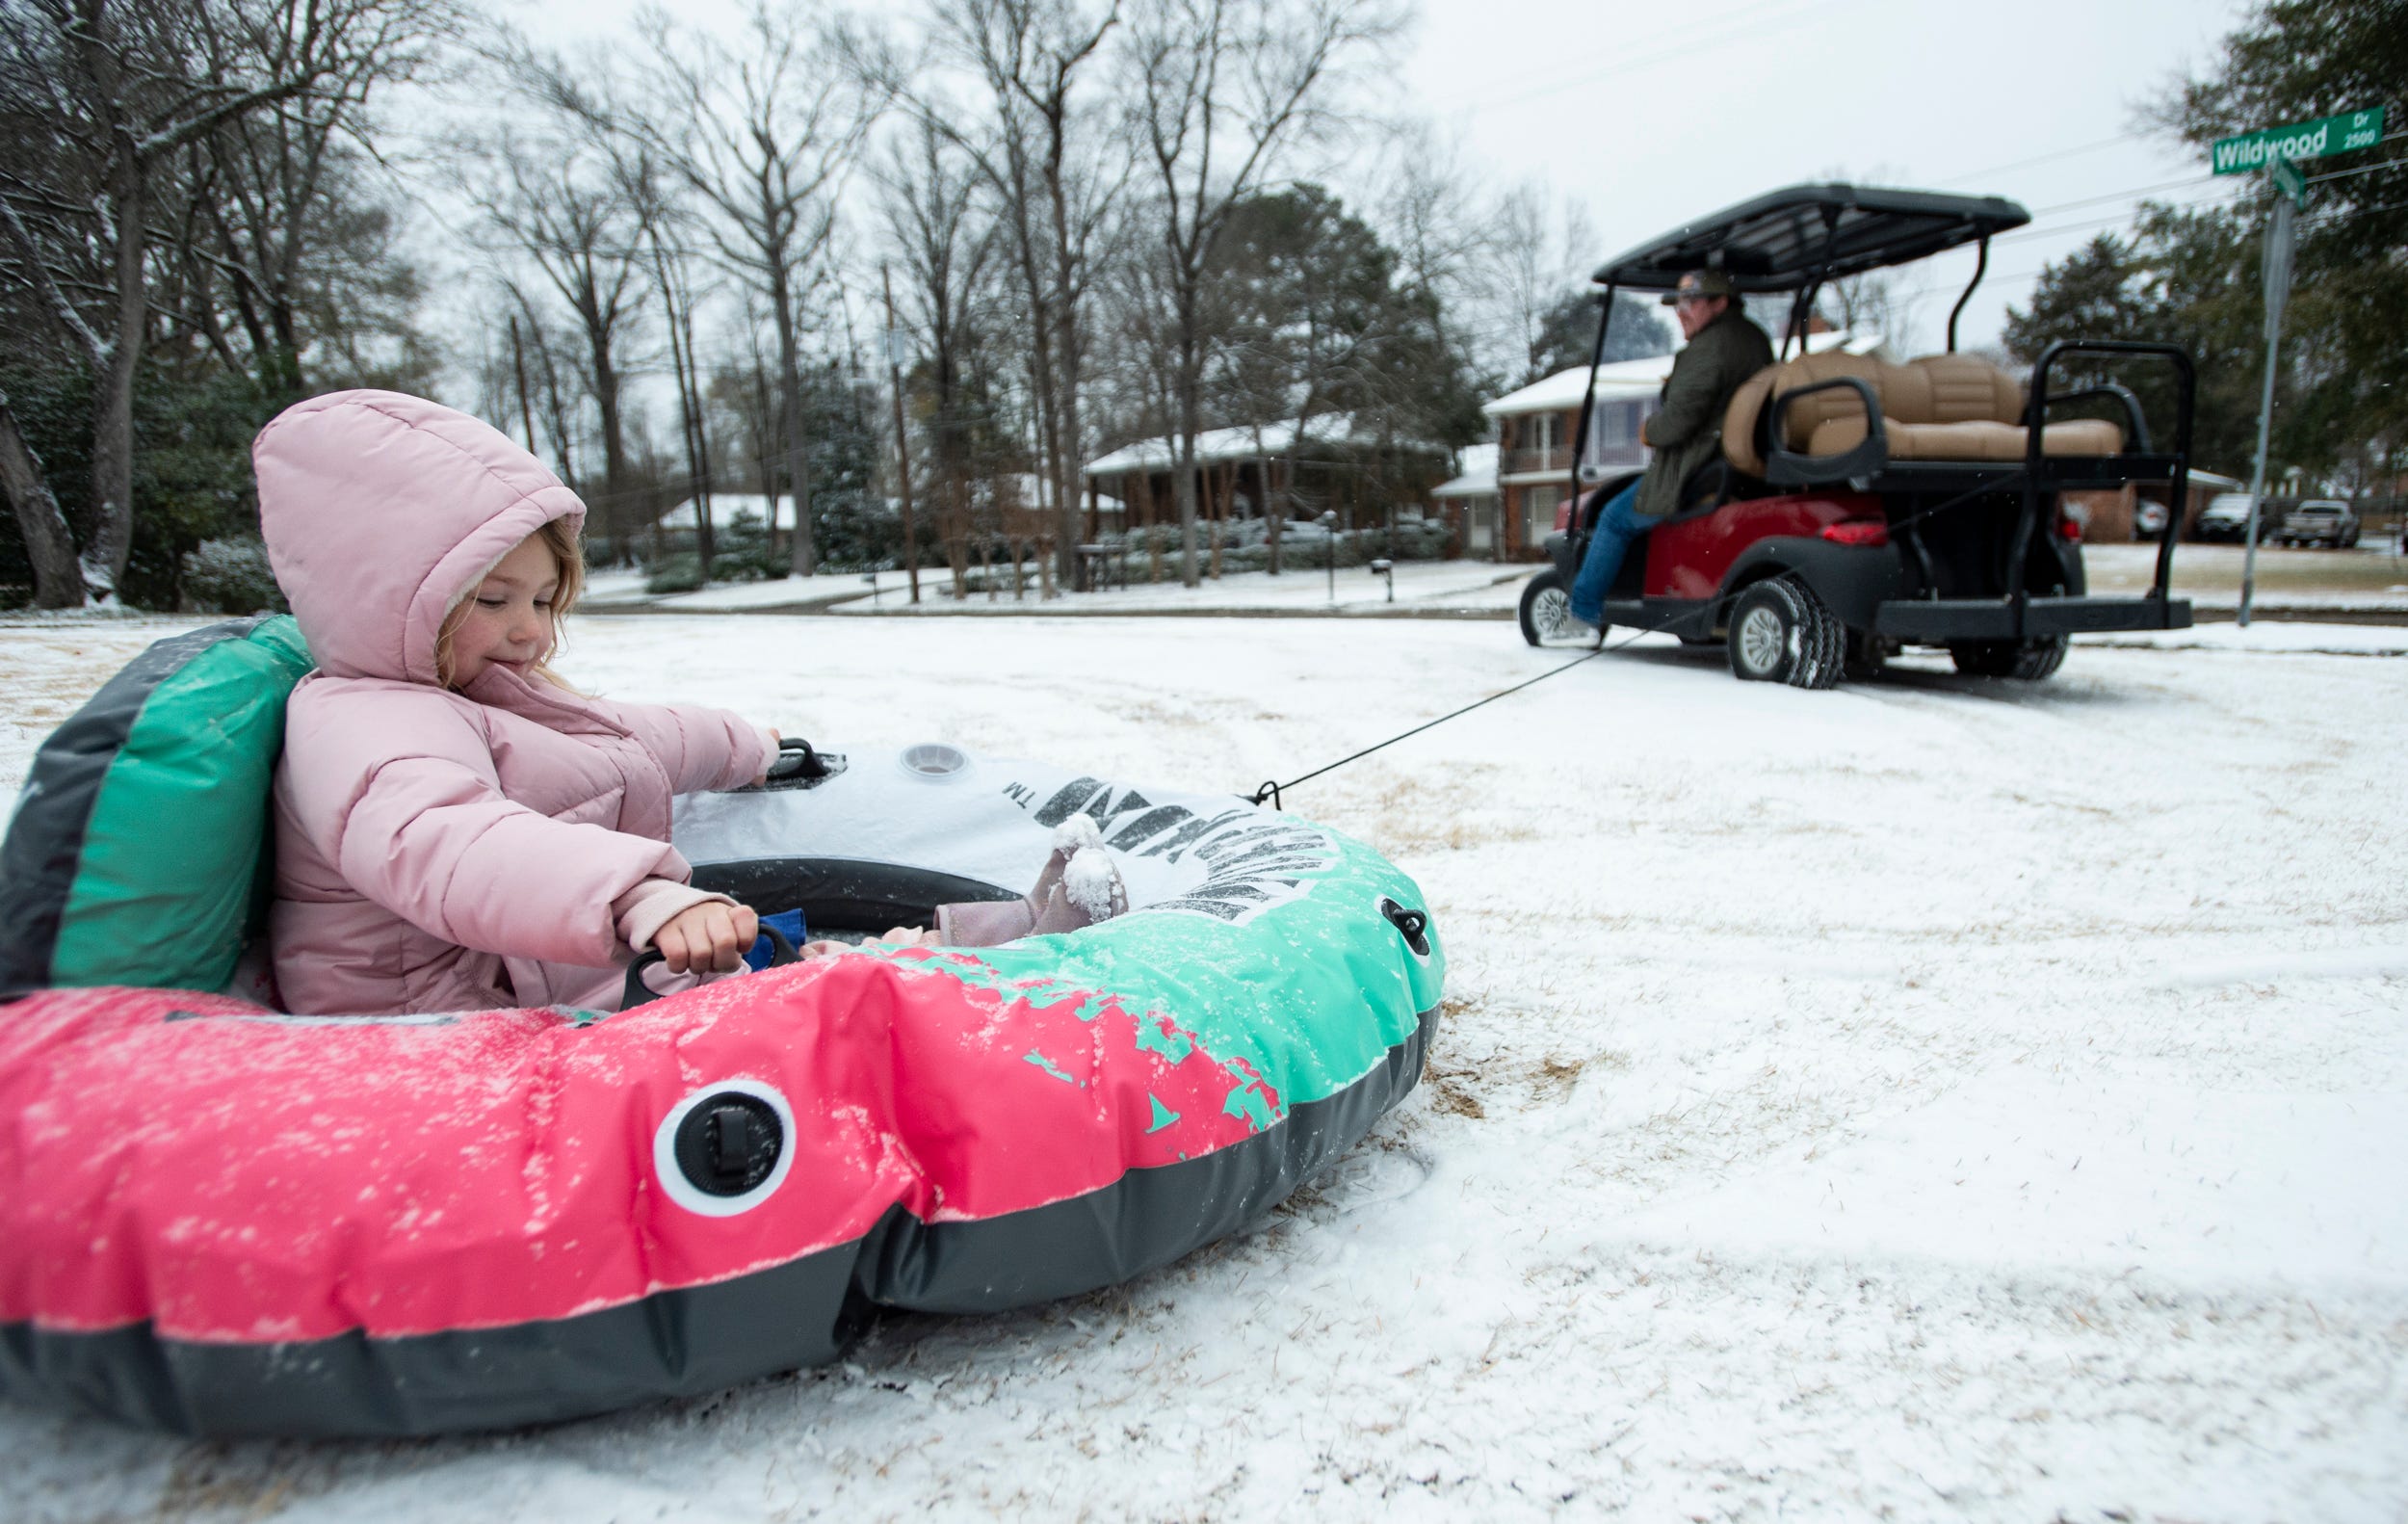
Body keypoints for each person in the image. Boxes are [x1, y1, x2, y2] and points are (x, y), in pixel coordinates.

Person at [257, 390, 1119, 1017]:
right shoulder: (365, 722)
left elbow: (631, 738)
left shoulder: (474, 695)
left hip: (547, 973)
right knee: (799, 1007)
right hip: (446, 1029)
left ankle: (1000, 942)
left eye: (544, 603)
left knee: (783, 952)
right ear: (389, 597)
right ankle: (1004, 972)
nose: (527, 632)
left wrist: (748, 746)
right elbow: (451, 844)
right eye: (494, 601)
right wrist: (641, 897)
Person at [1567, 269, 1774, 631]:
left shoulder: (1710, 346)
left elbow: (1679, 421)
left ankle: (1582, 614)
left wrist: (1649, 430)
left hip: (1698, 462)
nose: (1681, 311)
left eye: (1691, 302)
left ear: (1720, 303)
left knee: (1614, 518)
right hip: (1734, 457)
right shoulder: (1752, 338)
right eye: (1678, 304)